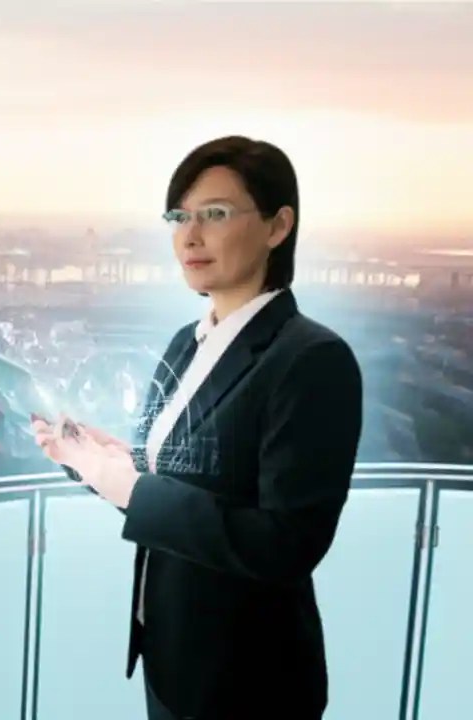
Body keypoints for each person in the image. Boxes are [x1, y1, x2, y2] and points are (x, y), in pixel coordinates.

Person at [34, 135, 363, 720]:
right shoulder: (186, 344)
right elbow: (168, 487)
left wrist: (127, 484)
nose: (190, 235)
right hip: (172, 657)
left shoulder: (312, 359)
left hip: (249, 684)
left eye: (214, 214)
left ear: (277, 226)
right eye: (179, 216)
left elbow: (286, 545)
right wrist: (93, 460)